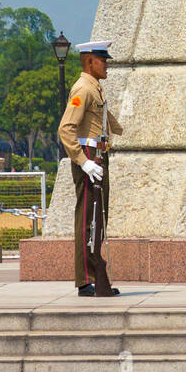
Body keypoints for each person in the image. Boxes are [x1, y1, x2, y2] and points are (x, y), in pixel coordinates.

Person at [57, 40, 123, 297]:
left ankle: (95, 274)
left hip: (98, 155)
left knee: (98, 218)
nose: (106, 65)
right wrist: (82, 161)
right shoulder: (83, 89)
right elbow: (66, 129)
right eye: (102, 60)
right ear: (89, 62)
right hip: (89, 157)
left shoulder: (95, 88)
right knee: (87, 219)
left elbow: (106, 120)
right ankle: (85, 280)